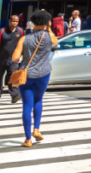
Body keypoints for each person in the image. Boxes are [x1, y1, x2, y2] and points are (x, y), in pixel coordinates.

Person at [12, 10, 57, 148]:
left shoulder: (24, 38)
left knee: (27, 104)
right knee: (39, 99)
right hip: (44, 72)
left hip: (27, 74)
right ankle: (36, 129)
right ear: (47, 23)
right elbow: (55, 42)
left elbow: (14, 57)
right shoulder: (49, 37)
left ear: (32, 22)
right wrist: (48, 28)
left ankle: (27, 139)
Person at [0, 15, 24, 104]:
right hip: (1, 59)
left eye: (16, 22)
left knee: (13, 77)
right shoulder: (2, 31)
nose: (15, 23)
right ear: (9, 21)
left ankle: (14, 95)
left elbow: (23, 43)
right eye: (13, 21)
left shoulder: (20, 31)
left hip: (13, 59)